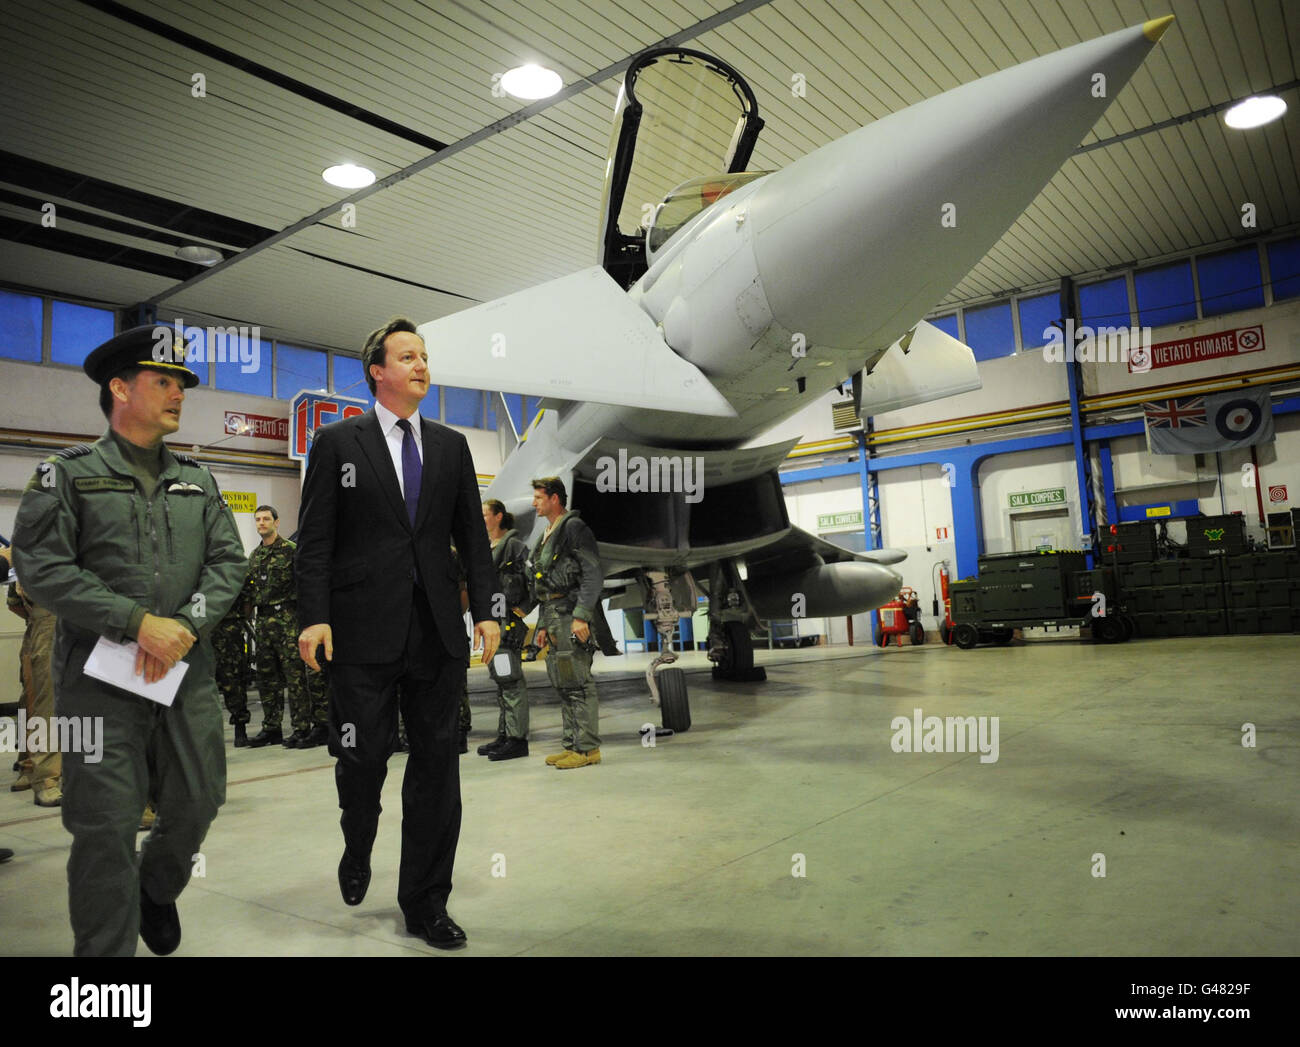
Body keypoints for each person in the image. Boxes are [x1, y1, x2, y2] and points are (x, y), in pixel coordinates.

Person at [12, 324, 247, 956]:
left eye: (181, 384)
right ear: (119, 388)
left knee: (201, 798)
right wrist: (134, 621)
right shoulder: (67, 475)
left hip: (185, 674)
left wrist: (186, 626)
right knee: (105, 828)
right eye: (163, 381)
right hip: (97, 682)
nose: (178, 394)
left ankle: (155, 888)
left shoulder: (199, 481)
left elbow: (229, 564)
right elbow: (41, 566)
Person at [295, 316, 499, 950]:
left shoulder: (450, 446)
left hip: (436, 630)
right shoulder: (337, 444)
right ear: (377, 372)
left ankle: (426, 902)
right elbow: (317, 541)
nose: (421, 365)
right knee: (362, 760)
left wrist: (488, 608)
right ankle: (359, 840)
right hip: (360, 633)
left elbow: (473, 535)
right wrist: (314, 614)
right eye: (407, 356)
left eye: (425, 356)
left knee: (438, 768)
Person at [528, 477, 604, 769]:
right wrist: (544, 625)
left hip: (571, 614)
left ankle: (587, 750)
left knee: (579, 683)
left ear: (555, 499)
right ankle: (573, 744)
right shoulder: (547, 533)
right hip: (555, 614)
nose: (534, 502)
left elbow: (592, 573)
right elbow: (545, 585)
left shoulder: (573, 529)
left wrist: (582, 615)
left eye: (538, 497)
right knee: (564, 683)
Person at [243, 506, 327, 748]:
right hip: (263, 622)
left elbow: (304, 587)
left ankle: (301, 728)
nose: (261, 523)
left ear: (276, 522)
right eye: (257, 519)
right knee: (266, 677)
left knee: (295, 678)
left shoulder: (291, 552)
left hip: (288, 620)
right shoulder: (254, 556)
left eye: (266, 519)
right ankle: (271, 728)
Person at [4, 544, 62, 805]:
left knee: (39, 700)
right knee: (44, 703)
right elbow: (14, 600)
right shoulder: (32, 544)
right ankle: (44, 777)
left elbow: (13, 602)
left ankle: (34, 768)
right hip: (50, 622)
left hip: (56, 621)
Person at [476, 499, 532, 762]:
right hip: (492, 623)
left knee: (510, 681)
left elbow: (534, 578)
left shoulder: (514, 547)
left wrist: (523, 609)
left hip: (506, 623)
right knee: (501, 680)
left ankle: (517, 740)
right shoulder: (487, 548)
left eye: (485, 514)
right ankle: (505, 734)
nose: (482, 518)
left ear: (498, 517)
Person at [212, 601, 252, 747]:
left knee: (233, 679)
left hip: (229, 625)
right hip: (201, 625)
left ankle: (240, 728)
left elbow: (247, 600)